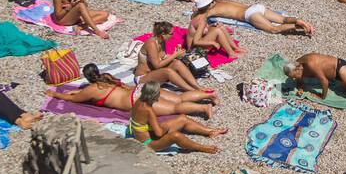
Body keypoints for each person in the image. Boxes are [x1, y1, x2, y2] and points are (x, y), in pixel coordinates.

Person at [47, 63, 218, 118]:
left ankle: (203, 108)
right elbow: (77, 95)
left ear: (88, 78)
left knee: (173, 109)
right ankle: (208, 95)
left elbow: (74, 99)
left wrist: (55, 94)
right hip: (139, 89)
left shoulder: (91, 89)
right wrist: (74, 93)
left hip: (135, 101)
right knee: (178, 99)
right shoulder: (106, 77)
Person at [126, 83, 223, 153]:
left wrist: (166, 126)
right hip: (148, 143)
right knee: (175, 136)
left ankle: (210, 131)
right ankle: (202, 148)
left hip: (146, 133)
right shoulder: (148, 110)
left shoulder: (139, 101)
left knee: (182, 118)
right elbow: (159, 133)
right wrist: (166, 127)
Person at [192, 0, 313, 36]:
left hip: (250, 14)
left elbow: (198, 18)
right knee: (282, 19)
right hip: (256, 6)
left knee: (273, 29)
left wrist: (196, 13)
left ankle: (298, 27)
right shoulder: (217, 0)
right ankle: (298, 21)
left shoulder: (211, 10)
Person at [136, 20, 203, 92]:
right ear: (163, 34)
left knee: (177, 63)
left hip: (155, 73)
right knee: (168, 71)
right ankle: (191, 90)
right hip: (143, 78)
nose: (173, 35)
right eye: (171, 33)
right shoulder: (151, 44)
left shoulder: (161, 42)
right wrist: (174, 55)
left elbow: (164, 57)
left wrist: (177, 55)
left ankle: (198, 87)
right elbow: (157, 65)